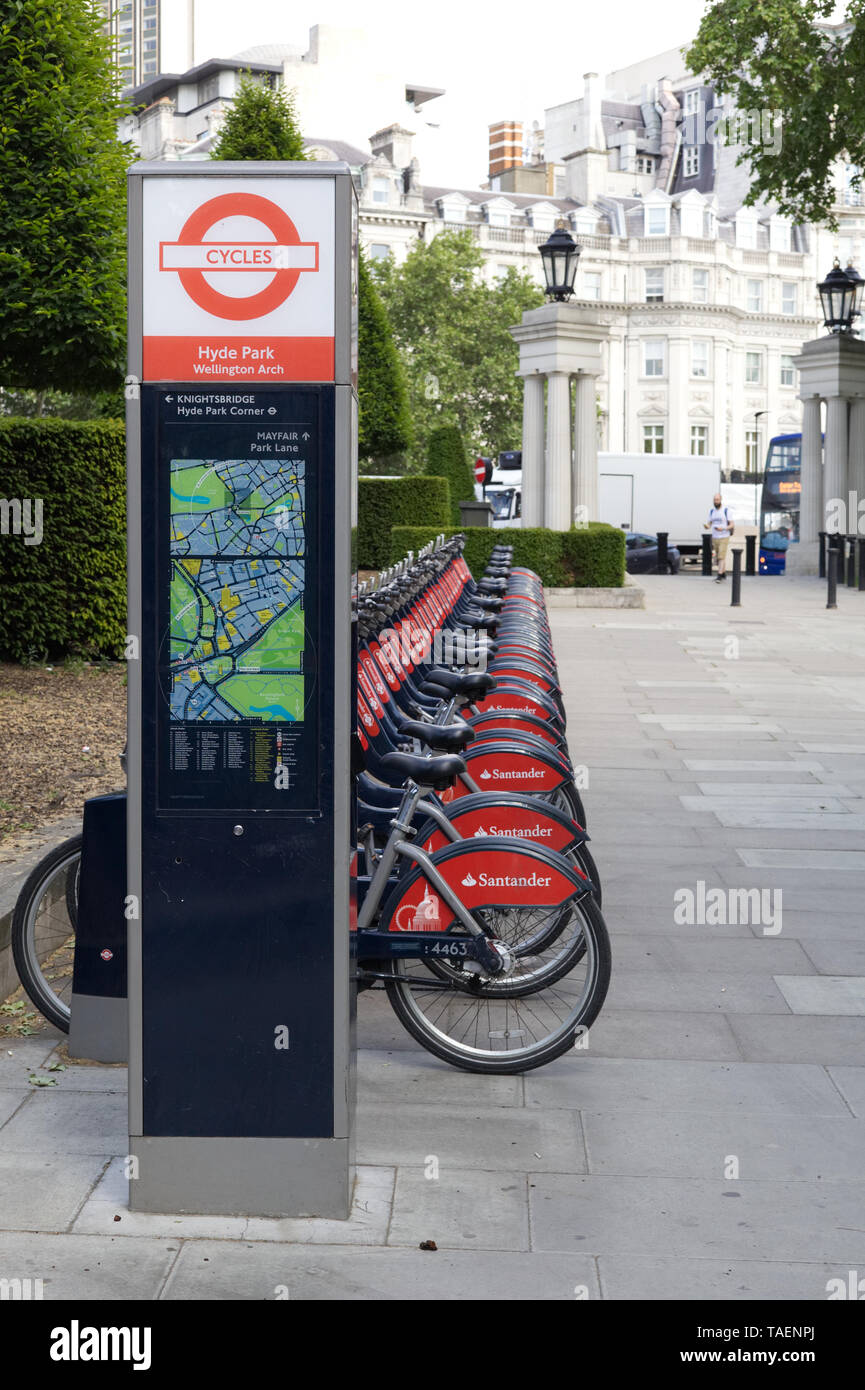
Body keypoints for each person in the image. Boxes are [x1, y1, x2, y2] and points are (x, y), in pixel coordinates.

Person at [703, 493, 734, 582]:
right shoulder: (712, 511)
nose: (716, 502)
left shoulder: (726, 511)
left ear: (721, 500)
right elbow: (710, 523)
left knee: (721, 556)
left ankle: (719, 575)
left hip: (724, 536)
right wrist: (707, 526)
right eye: (714, 500)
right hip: (715, 536)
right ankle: (723, 573)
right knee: (718, 556)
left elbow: (732, 524)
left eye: (717, 500)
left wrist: (723, 528)